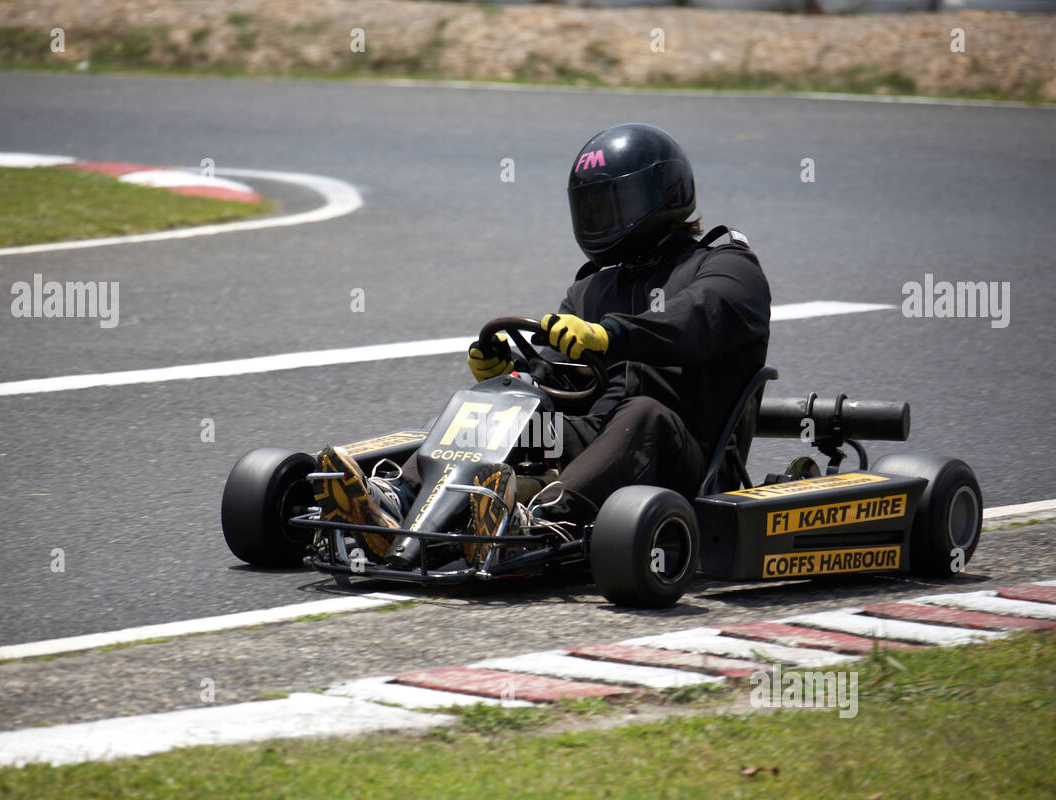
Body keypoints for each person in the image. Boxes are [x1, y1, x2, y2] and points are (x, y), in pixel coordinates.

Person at [315, 122, 771, 564]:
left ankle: (535, 521)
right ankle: (397, 500)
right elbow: (553, 376)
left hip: (691, 462)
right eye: (592, 207)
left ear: (660, 193)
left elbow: (690, 321)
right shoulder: (593, 288)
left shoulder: (728, 266)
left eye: (614, 203)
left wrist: (610, 335)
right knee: (505, 404)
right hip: (595, 446)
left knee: (642, 414)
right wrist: (510, 376)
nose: (602, 219)